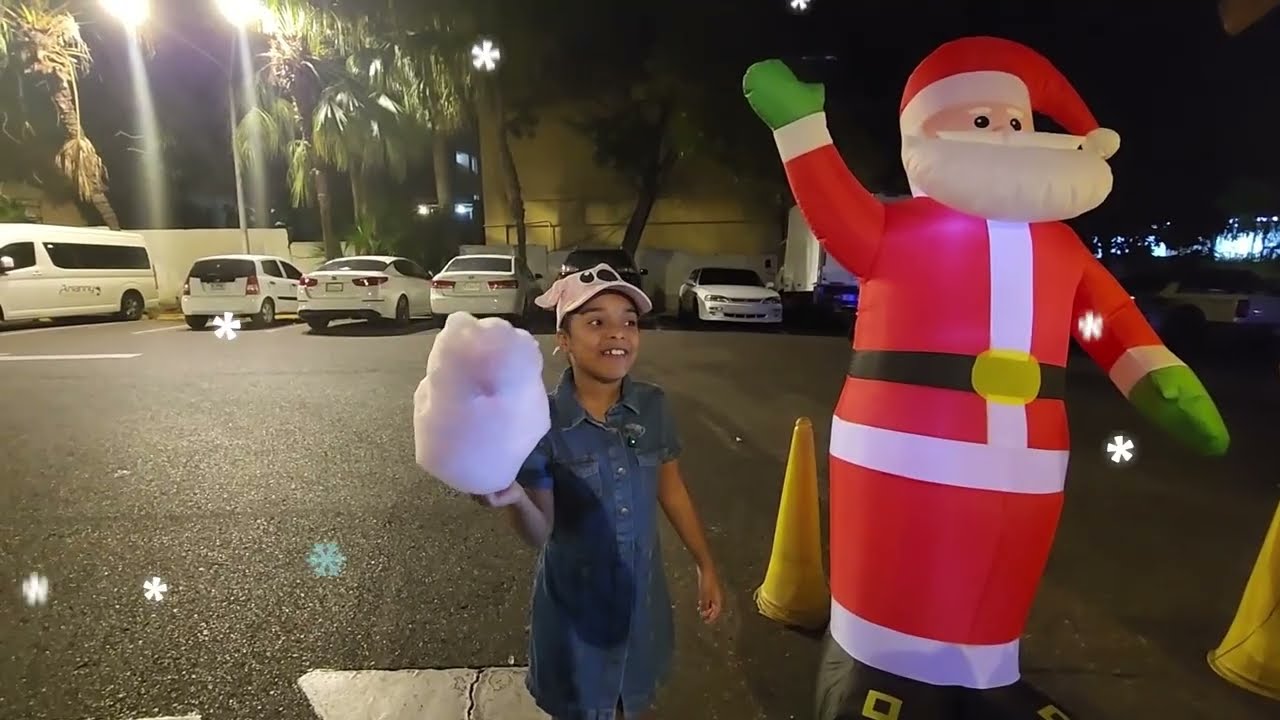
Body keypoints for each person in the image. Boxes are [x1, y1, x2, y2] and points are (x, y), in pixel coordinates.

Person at [474, 263, 725, 720]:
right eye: (596, 322)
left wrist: (704, 563)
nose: (617, 333)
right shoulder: (540, 422)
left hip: (641, 613)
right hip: (575, 627)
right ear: (564, 340)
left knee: (633, 706)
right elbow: (539, 530)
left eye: (629, 322)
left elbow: (671, 488)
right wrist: (510, 496)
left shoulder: (652, 405)